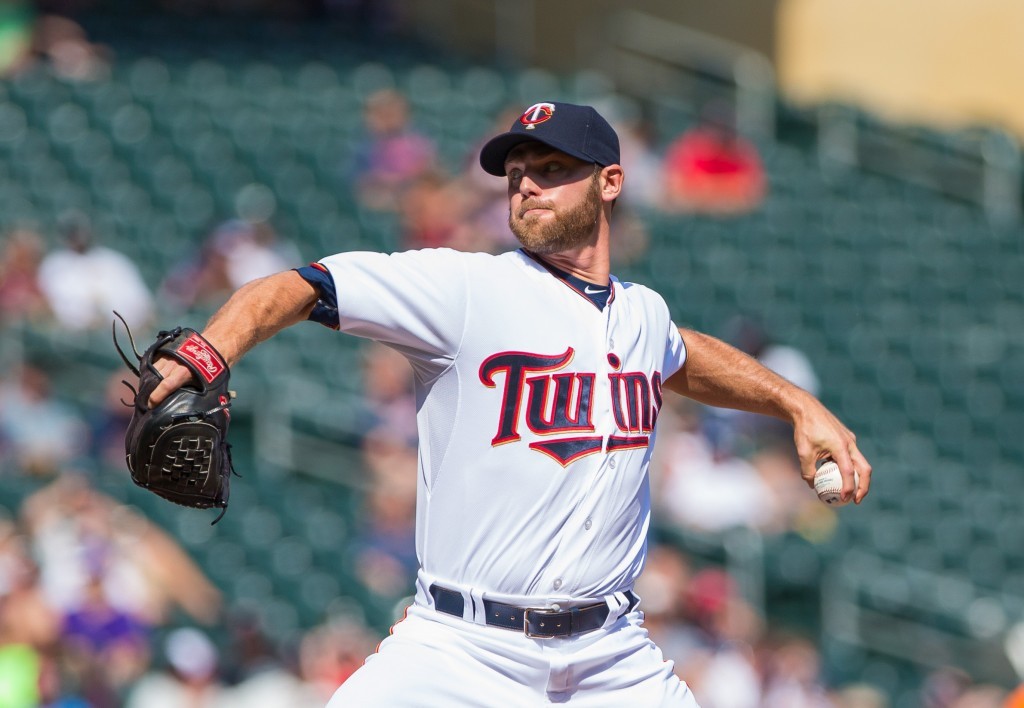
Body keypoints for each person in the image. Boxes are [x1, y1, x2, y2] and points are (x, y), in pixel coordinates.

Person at [146, 100, 872, 706]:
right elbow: (301, 286)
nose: (526, 186)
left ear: (611, 182)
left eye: (552, 170)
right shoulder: (465, 290)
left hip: (611, 657)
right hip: (461, 649)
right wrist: (212, 350)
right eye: (517, 173)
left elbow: (686, 356)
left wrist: (798, 405)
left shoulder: (642, 315)